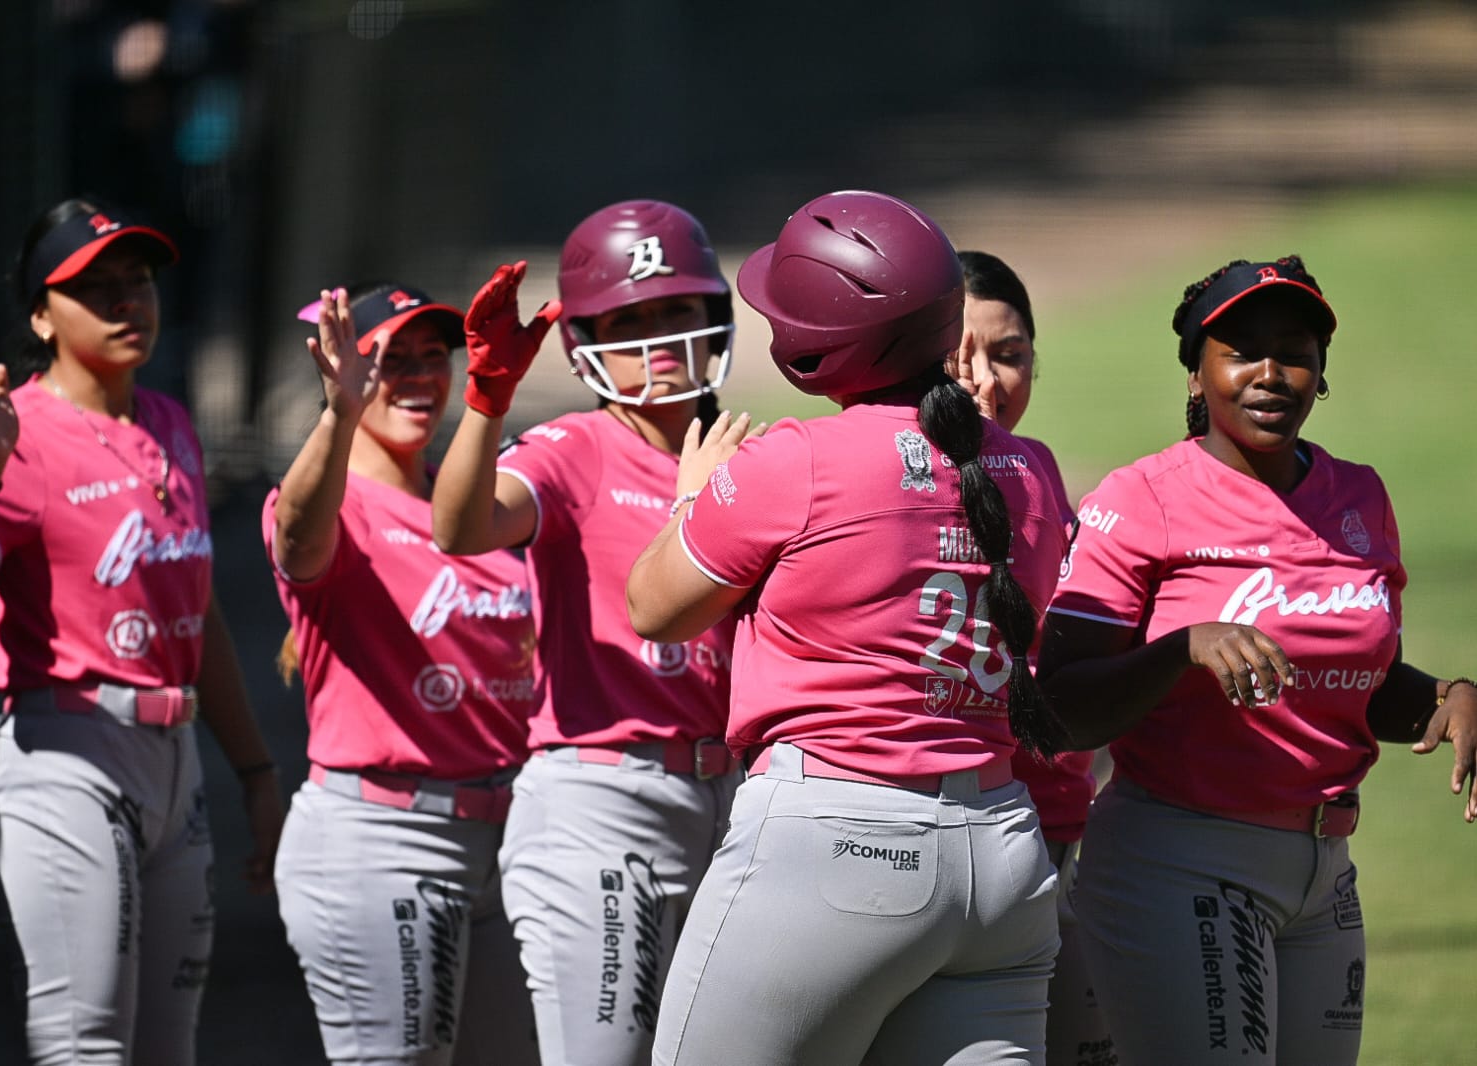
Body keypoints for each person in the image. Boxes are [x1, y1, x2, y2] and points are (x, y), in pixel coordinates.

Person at [626, 190, 1070, 1066]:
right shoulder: (1032, 466)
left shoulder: (794, 457)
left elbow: (654, 607)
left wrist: (686, 501)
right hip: (1005, 859)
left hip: (835, 841)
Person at [1037, 255, 1477, 1065]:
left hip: (1323, 873)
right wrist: (1180, 650)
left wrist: (1445, 698)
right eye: (1242, 349)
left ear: (1321, 372)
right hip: (1178, 863)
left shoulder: (1358, 497)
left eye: (1296, 350)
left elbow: (1350, 683)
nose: (1272, 372)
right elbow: (1057, 705)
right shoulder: (1140, 499)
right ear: (1197, 372)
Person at [0, 198, 282, 1065]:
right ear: (39, 313)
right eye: (96, 288)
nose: (128, 303)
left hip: (176, 762)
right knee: (83, 1049)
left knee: (166, 1053)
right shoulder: (17, 429)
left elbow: (198, 615)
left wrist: (256, 770)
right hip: (68, 753)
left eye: (138, 281)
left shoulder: (171, 422)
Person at [431, 200, 741, 1066]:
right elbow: (459, 527)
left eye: (676, 308)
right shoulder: (573, 448)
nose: (657, 337)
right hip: (604, 803)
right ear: (585, 340)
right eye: (628, 319)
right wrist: (488, 401)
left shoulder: (743, 456)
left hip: (733, 804)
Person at [264, 283, 538, 1065]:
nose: (418, 376)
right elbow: (294, 539)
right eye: (392, 360)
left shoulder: (468, 506)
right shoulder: (332, 500)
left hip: (502, 839)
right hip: (387, 838)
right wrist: (337, 415)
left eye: (433, 356)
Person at [949, 251, 1111, 1066]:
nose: (985, 379)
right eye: (961, 354)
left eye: (1008, 354)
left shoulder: (1045, 482)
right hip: (949, 845)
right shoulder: (889, 486)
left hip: (1066, 845)